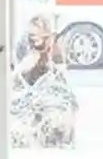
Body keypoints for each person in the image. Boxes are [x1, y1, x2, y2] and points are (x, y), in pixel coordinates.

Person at [9, 14, 79, 149]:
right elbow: (16, 76)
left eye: (39, 35)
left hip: (49, 88)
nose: (35, 38)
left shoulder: (53, 46)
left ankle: (57, 134)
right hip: (28, 89)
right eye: (32, 35)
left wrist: (54, 67)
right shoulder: (24, 46)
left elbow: (61, 72)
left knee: (62, 104)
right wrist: (25, 66)